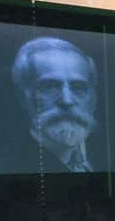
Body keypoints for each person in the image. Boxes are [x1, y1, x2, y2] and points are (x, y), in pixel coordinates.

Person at [11, 37, 98, 173]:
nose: (66, 100)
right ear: (23, 98)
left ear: (93, 98)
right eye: (49, 87)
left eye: (78, 87)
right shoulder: (10, 166)